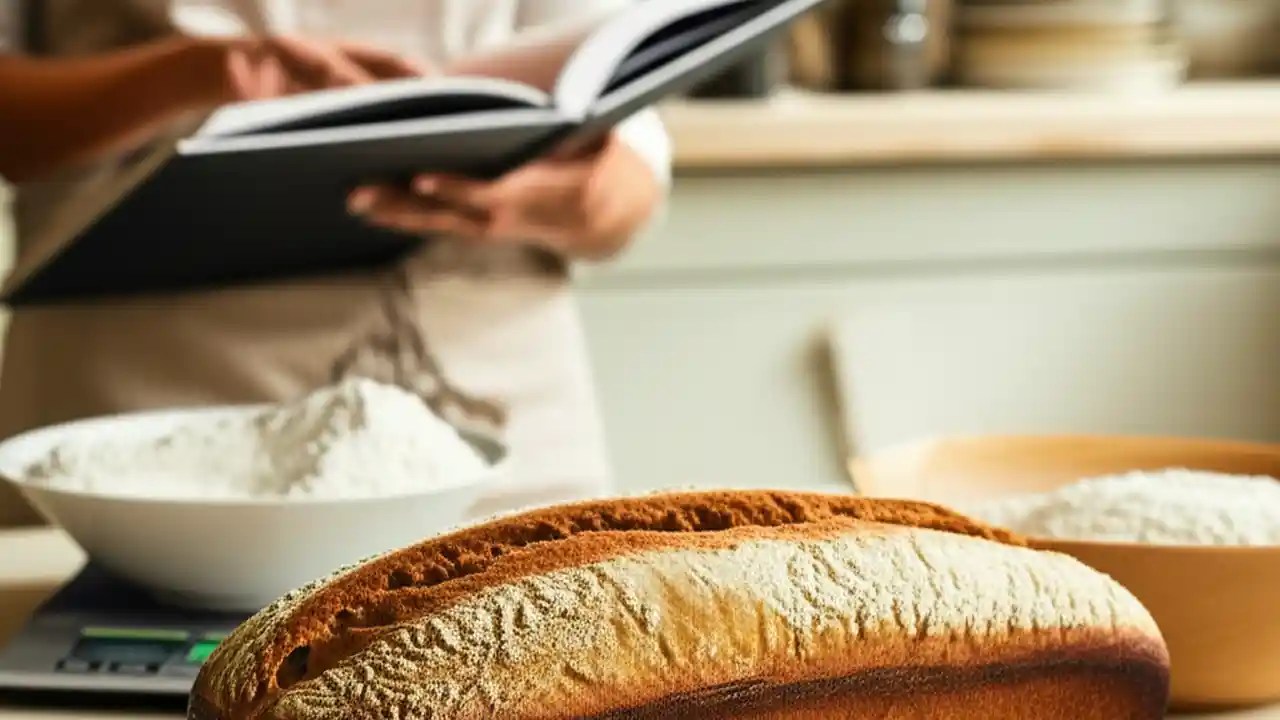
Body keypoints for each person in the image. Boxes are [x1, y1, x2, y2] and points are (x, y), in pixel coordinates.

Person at [0, 0, 672, 526]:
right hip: (140, 434)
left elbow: (622, 136)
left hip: (500, 422)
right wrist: (197, 73)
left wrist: (588, 196)